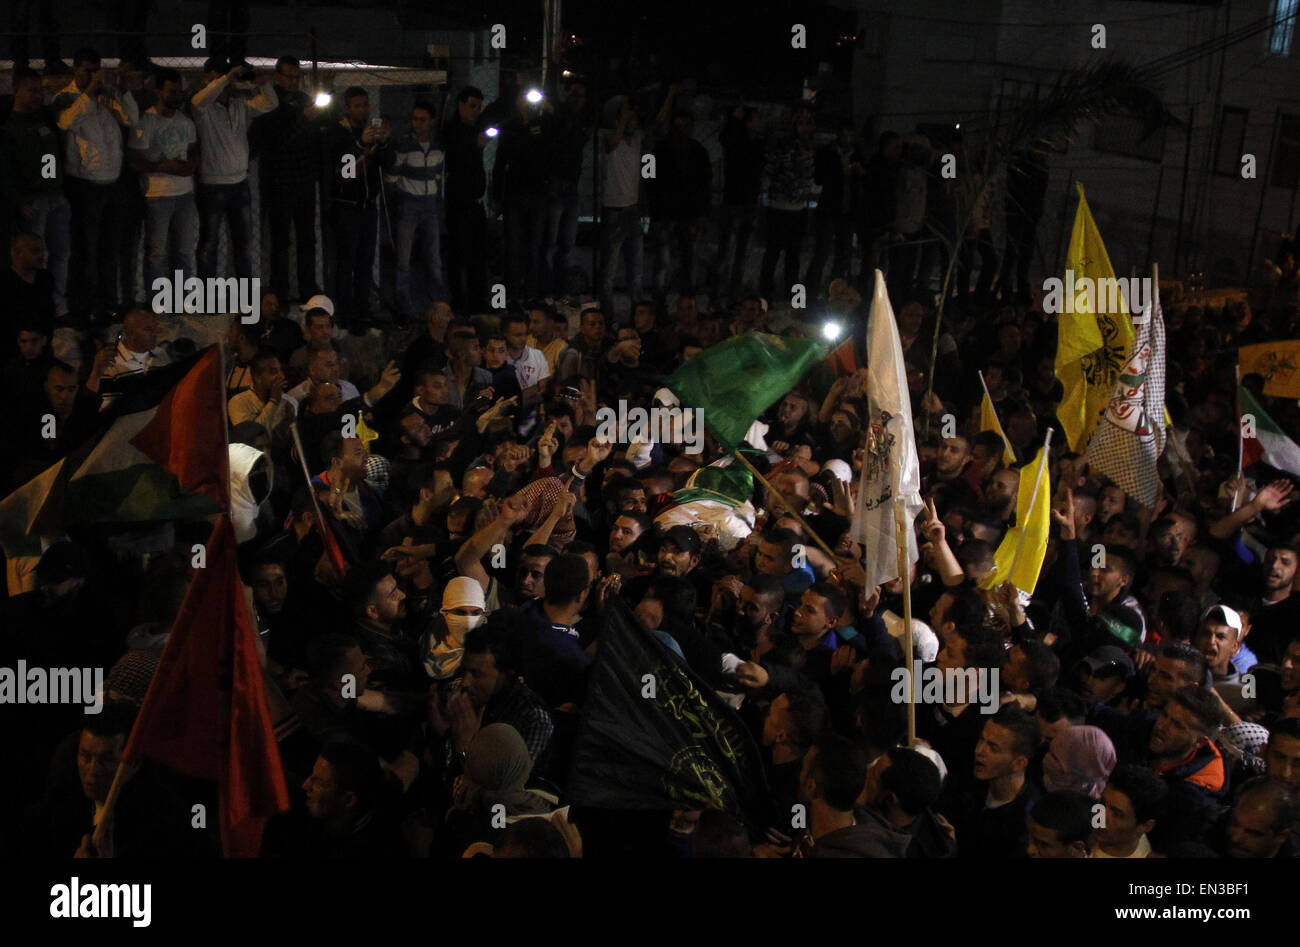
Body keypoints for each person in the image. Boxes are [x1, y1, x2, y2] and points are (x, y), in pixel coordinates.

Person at [55, 47, 137, 314]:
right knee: (86, 251)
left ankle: (107, 305)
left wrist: (122, 89)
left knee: (110, 249)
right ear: (75, 69)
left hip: (113, 184)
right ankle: (84, 306)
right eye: (88, 70)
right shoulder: (66, 98)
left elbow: (131, 119)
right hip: (86, 186)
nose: (93, 75)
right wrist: (90, 90)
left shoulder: (105, 96)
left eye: (96, 70)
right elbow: (67, 122)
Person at [190, 58, 277, 279]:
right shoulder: (204, 109)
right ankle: (207, 300)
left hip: (239, 183)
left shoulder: (240, 105)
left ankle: (245, 298)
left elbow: (270, 104)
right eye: (215, 80)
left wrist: (261, 83)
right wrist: (226, 78)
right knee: (209, 244)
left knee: (244, 246)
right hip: (212, 185)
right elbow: (200, 100)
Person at [254, 56, 325, 302]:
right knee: (281, 240)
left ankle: (307, 288)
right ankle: (280, 291)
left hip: (305, 178)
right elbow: (275, 144)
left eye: (298, 76)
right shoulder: (270, 103)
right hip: (280, 181)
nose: (294, 81)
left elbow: (317, 138)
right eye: (289, 76)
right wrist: (303, 121)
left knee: (307, 238)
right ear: (278, 76)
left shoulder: (304, 100)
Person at [323, 87, 394, 328]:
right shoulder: (338, 133)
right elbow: (345, 172)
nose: (362, 109)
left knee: (365, 263)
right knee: (346, 264)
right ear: (347, 108)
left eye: (365, 105)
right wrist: (359, 143)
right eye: (357, 105)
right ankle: (345, 312)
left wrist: (383, 144)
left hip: (368, 206)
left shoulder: (371, 132)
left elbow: (390, 164)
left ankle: (363, 309)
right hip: (346, 207)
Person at [127, 67, 199, 294]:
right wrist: (162, 167)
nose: (176, 96)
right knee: (157, 253)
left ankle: (184, 300)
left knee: (184, 251)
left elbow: (194, 152)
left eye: (179, 92)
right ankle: (157, 301)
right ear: (159, 91)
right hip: (157, 195)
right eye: (171, 91)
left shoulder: (185, 122)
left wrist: (189, 167)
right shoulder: (146, 122)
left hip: (184, 193)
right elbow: (135, 160)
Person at [386, 101, 445, 320]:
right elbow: (393, 174)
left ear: (431, 121)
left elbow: (437, 173)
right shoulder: (405, 144)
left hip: (429, 202)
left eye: (422, 119)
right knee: (404, 257)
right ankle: (405, 305)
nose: (417, 124)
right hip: (410, 202)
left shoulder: (438, 145)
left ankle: (437, 304)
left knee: (433, 256)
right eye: (414, 119)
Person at [760, 106, 815, 304]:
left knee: (794, 257)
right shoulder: (783, 145)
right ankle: (764, 298)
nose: (804, 127)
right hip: (779, 206)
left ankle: (795, 300)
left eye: (808, 123)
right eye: (801, 123)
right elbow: (771, 169)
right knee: (772, 254)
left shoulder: (809, 146)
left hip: (798, 208)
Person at [442, 86, 489, 313]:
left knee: (479, 255)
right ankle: (460, 303)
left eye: (479, 107)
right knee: (459, 255)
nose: (476, 111)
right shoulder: (452, 130)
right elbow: (458, 161)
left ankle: (477, 301)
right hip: (459, 203)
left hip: (476, 202)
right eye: (472, 106)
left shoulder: (474, 128)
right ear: (460, 104)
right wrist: (476, 148)